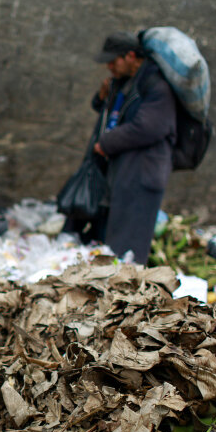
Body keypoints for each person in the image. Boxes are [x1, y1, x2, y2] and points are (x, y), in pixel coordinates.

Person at [63, 31, 176, 264]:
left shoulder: (156, 85)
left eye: (113, 61)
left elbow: (149, 127)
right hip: (119, 171)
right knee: (108, 235)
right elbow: (111, 113)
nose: (109, 67)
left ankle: (126, 292)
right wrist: (100, 97)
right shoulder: (125, 82)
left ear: (131, 56)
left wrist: (106, 143)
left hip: (143, 173)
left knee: (129, 243)